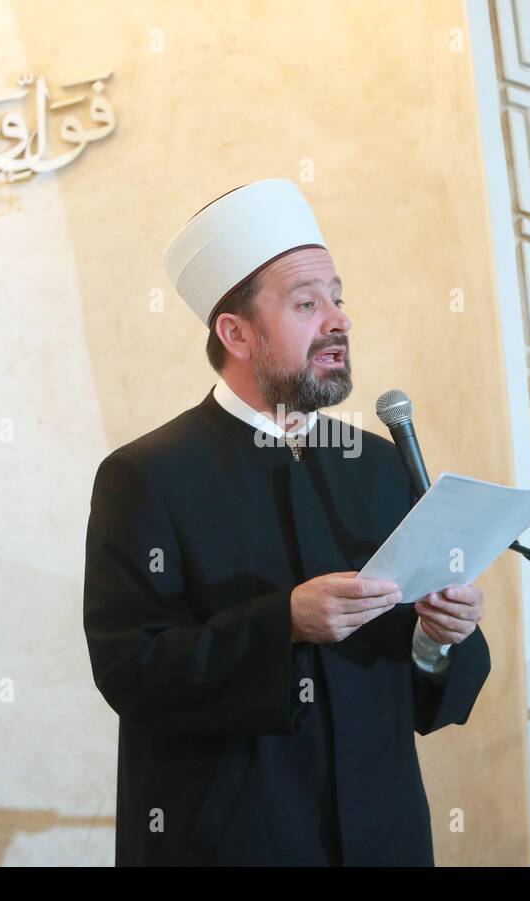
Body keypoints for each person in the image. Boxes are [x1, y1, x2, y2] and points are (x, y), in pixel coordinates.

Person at [82, 178, 491, 865]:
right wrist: (285, 622)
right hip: (231, 841)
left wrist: (436, 638)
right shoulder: (147, 475)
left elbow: (427, 696)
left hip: (383, 838)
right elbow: (131, 670)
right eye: (307, 303)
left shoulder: (378, 463)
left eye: (338, 298)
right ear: (236, 333)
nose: (339, 321)